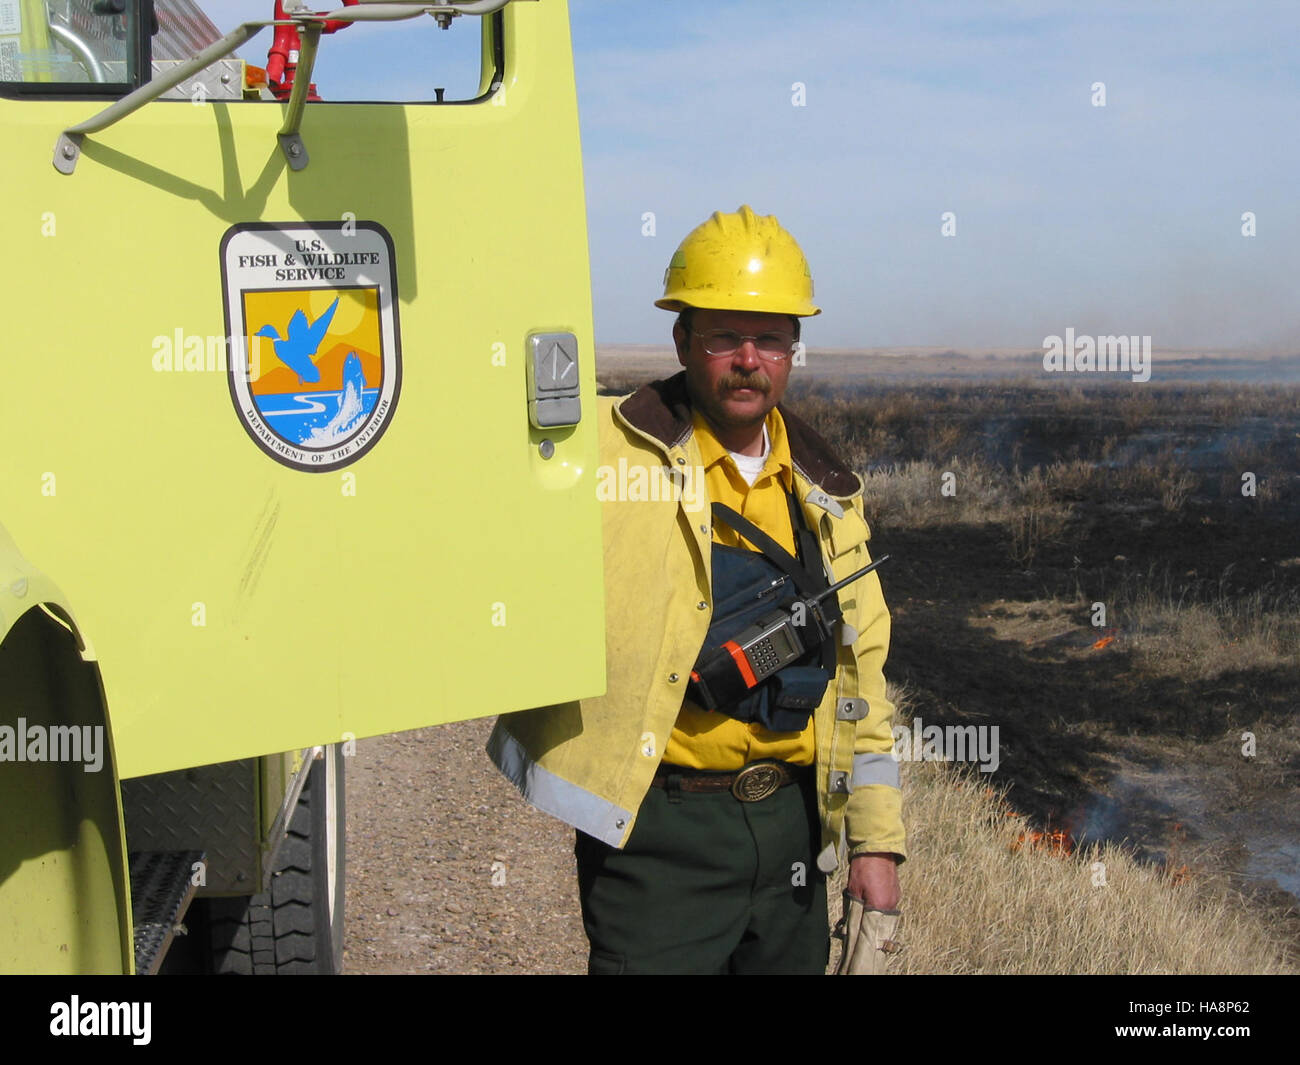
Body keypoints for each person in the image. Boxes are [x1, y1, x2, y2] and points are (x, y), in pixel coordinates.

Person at [488, 205, 904, 974]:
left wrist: (875, 843)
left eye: (771, 337)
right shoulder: (607, 451)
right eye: (724, 334)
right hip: (658, 837)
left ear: (793, 351)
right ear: (682, 341)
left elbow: (864, 681)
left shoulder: (830, 493)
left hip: (793, 833)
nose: (749, 358)